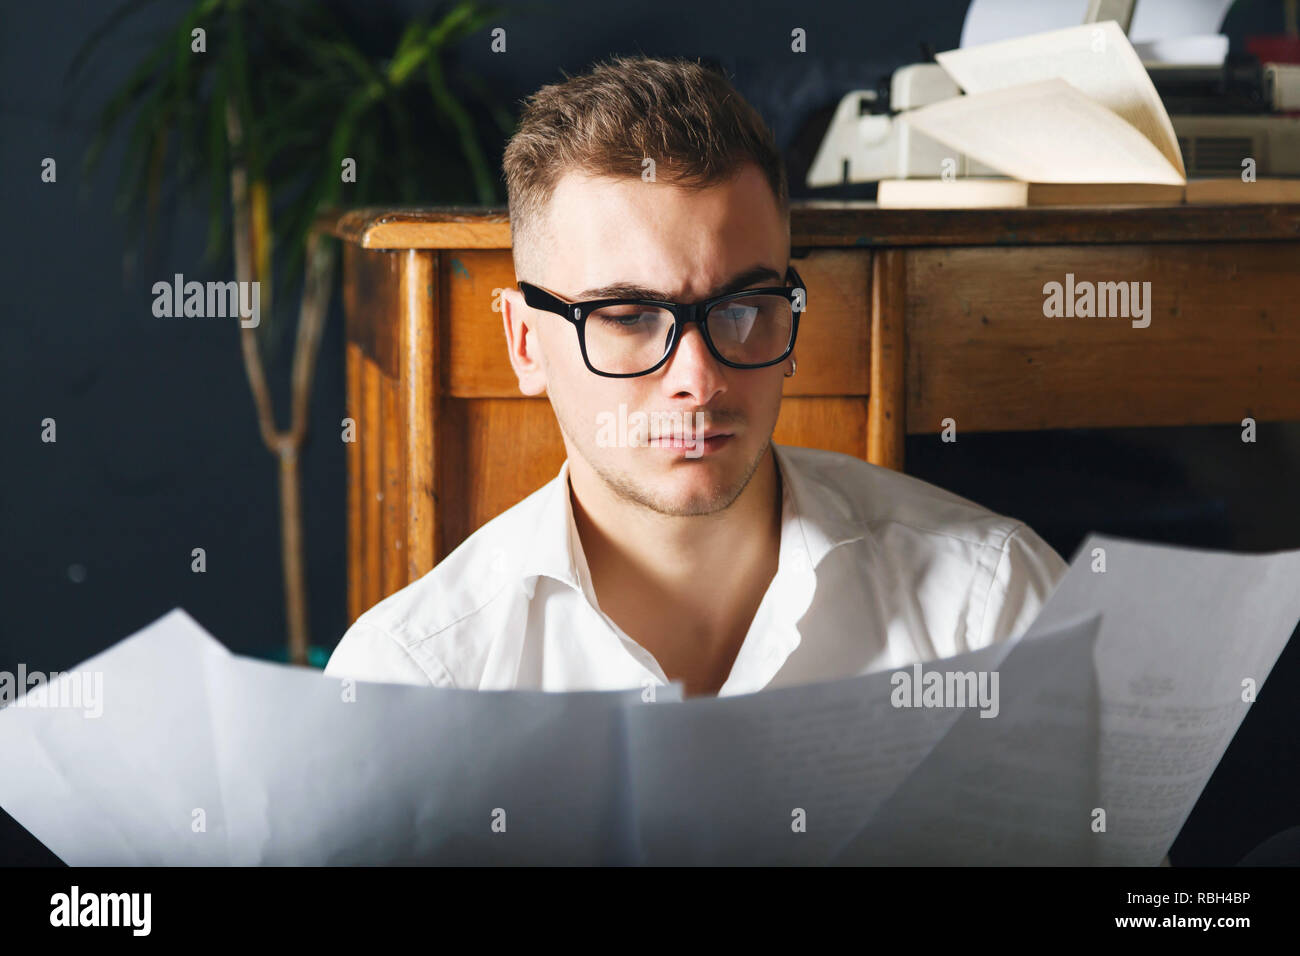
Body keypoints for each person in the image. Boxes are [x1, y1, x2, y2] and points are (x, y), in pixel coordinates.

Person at [325, 54, 1068, 699]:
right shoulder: (413, 678)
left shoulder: (992, 607)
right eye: (626, 315)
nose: (699, 377)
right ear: (526, 342)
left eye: (742, 306)